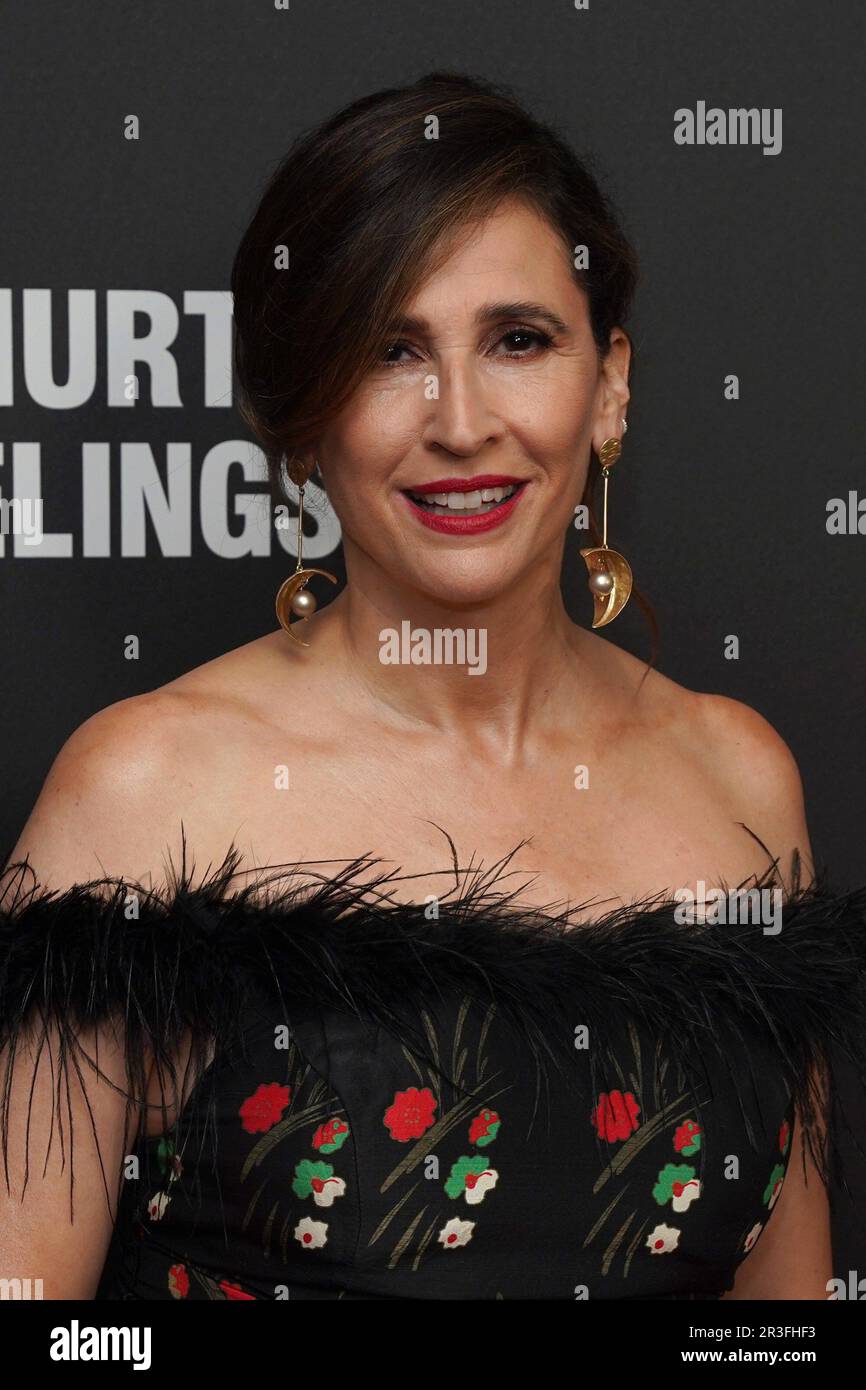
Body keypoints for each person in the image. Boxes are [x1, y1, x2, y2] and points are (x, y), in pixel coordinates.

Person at [1, 71, 864, 1302]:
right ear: (302, 421)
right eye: (388, 350)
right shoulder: (141, 791)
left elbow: (777, 1319)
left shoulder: (737, 778)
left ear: (607, 384)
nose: (460, 421)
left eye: (518, 340)